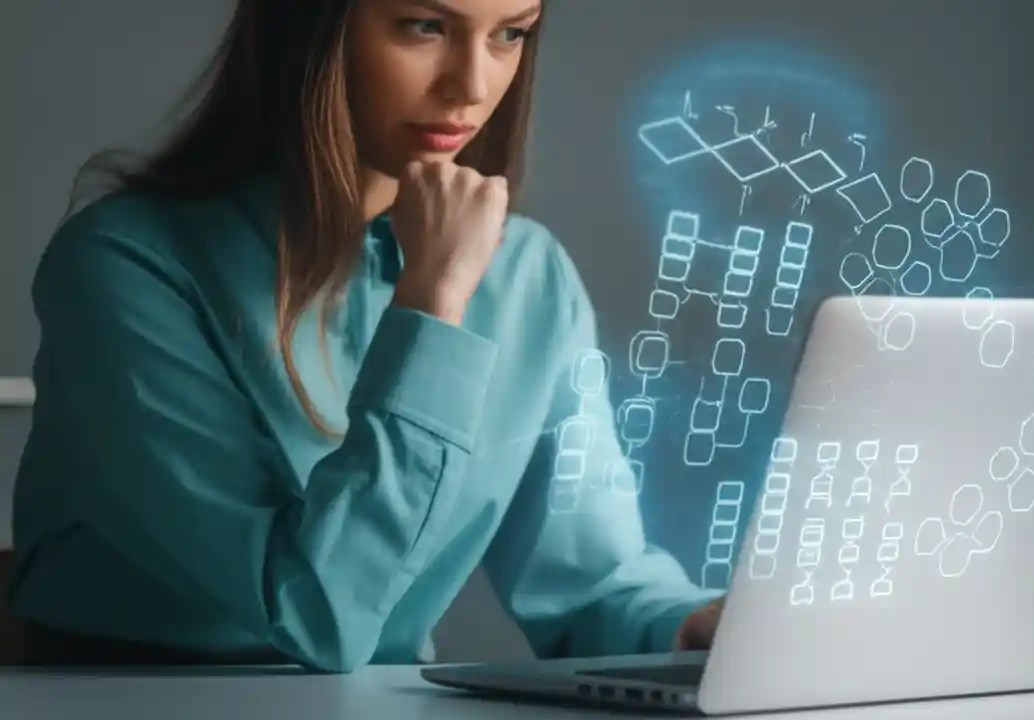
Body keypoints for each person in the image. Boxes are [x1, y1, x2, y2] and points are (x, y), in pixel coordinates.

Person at [6, 0, 723, 672]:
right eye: (423, 27)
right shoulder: (126, 265)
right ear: (311, 27)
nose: (471, 86)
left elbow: (592, 586)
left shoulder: (528, 274)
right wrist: (433, 305)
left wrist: (695, 629)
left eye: (510, 33)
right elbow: (313, 612)